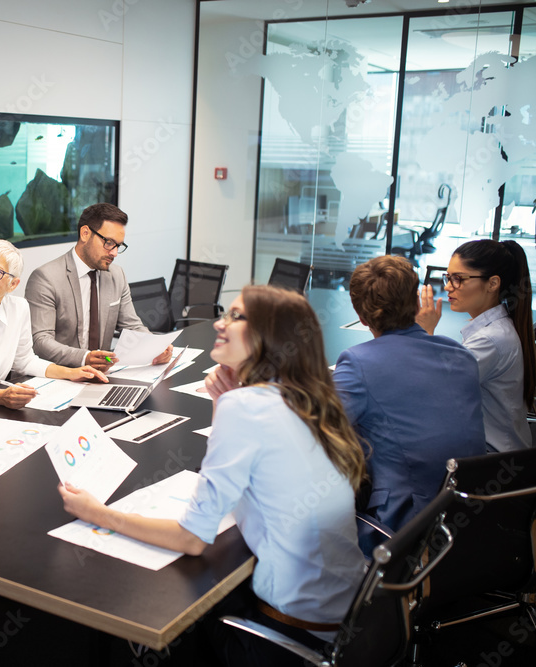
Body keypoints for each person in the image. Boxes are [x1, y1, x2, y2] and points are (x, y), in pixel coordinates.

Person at [59, 285, 367, 666]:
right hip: (355, 612)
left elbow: (191, 539)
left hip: (291, 635)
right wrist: (225, 407)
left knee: (154, 615)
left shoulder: (247, 407)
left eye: (237, 317)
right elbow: (233, 481)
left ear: (266, 337)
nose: (220, 323)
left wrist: (97, 513)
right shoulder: (303, 397)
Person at [334, 256, 485, 539]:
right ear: (417, 303)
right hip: (471, 520)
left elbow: (310, 428)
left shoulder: (358, 363)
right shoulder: (462, 357)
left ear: (362, 318)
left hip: (403, 532)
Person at [0, 239, 107, 408]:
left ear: (13, 284)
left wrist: (71, 373)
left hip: (0, 401)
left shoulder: (19, 308)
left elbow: (24, 361)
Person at [418, 240, 536, 452]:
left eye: (458, 279)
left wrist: (424, 332)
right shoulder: (494, 327)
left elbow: (431, 389)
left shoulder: (490, 339)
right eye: (448, 277)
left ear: (492, 284)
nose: (447, 286)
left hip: (490, 460)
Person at [25, 203, 172, 372]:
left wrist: (154, 346)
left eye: (118, 245)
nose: (114, 253)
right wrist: (84, 358)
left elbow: (132, 326)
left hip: (102, 374)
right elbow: (41, 341)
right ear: (85, 233)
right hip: (61, 375)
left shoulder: (116, 275)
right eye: (109, 243)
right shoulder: (46, 278)